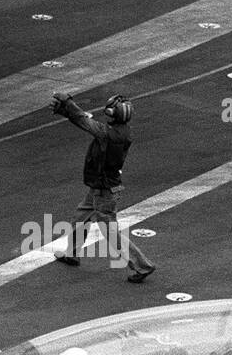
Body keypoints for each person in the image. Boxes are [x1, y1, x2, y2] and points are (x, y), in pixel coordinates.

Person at [50, 92, 156, 282]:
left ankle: (142, 266)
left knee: (110, 232)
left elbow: (85, 121)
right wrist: (67, 112)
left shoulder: (106, 134)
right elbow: (86, 122)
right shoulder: (123, 131)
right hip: (102, 186)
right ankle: (71, 253)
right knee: (80, 217)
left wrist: (68, 103)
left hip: (104, 191)